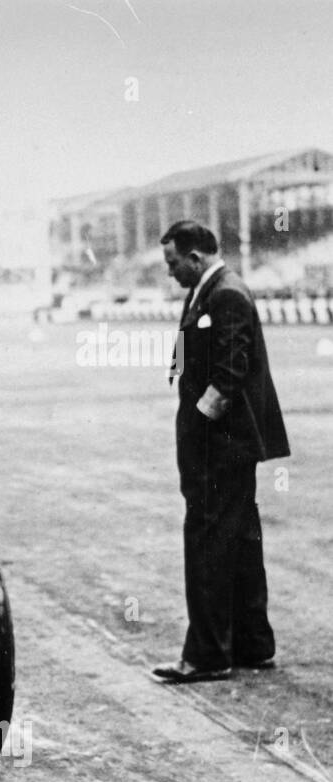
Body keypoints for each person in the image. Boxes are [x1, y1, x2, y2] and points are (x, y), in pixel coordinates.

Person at [152, 220, 289, 683]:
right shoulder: (211, 291)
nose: (170, 273)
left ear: (195, 257)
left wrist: (200, 425)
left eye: (173, 263)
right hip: (230, 445)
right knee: (240, 541)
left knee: (208, 543)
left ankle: (208, 655)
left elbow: (231, 370)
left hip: (220, 446)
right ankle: (252, 644)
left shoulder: (225, 293)